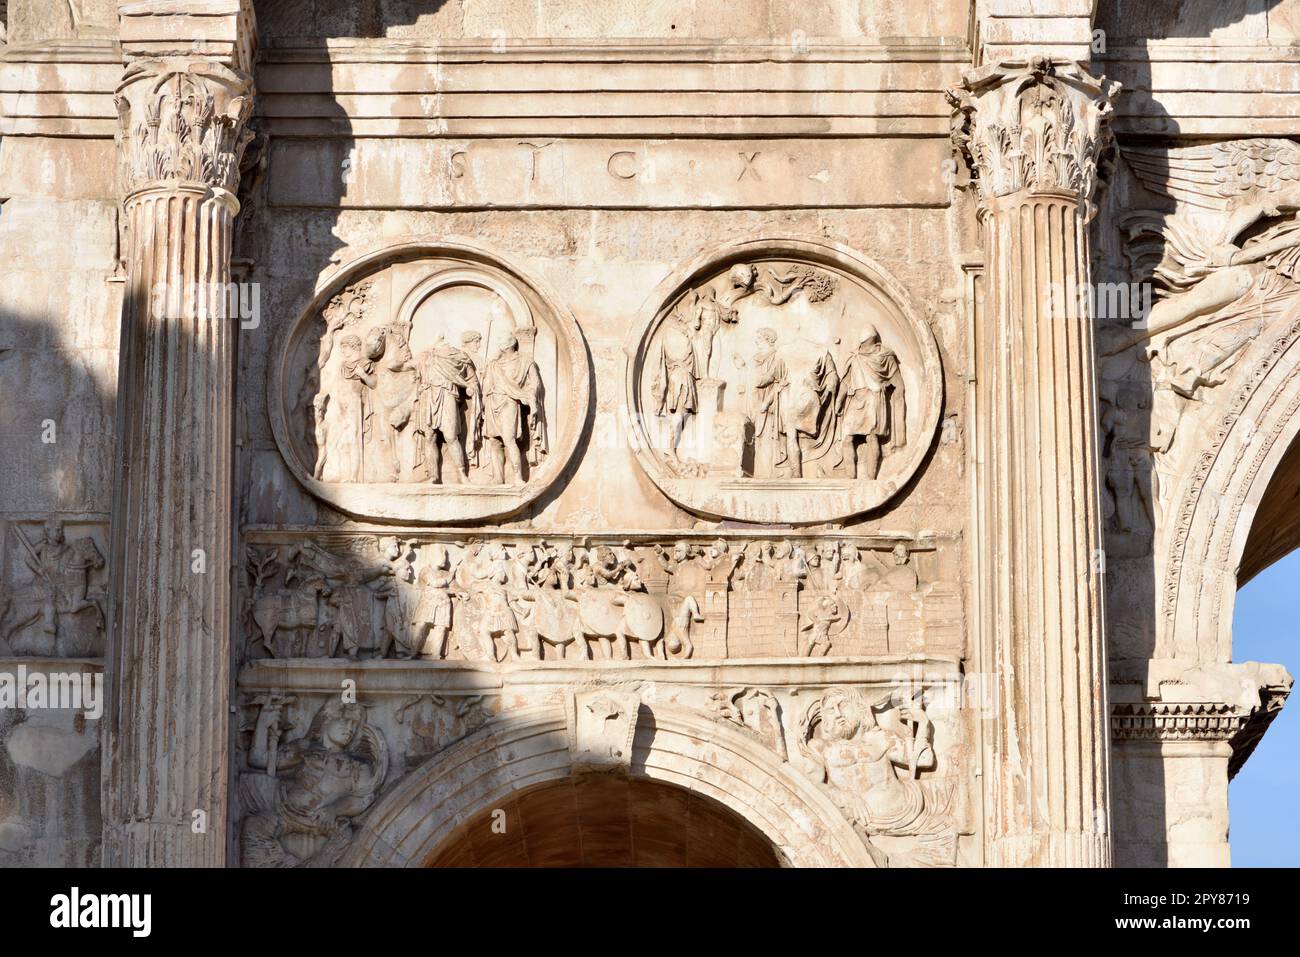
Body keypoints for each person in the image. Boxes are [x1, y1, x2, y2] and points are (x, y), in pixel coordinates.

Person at [837, 325, 906, 479]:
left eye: (863, 341)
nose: (861, 344)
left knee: (871, 436)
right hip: (857, 398)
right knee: (847, 437)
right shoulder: (855, 356)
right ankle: (850, 477)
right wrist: (838, 402)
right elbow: (846, 382)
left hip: (874, 398)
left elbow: (898, 384)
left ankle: (870, 478)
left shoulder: (885, 356)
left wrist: (898, 410)